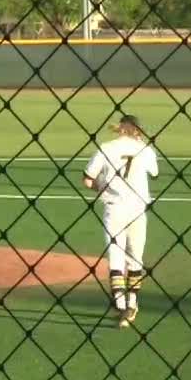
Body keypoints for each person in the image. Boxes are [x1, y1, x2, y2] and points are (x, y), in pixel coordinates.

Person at [82, 114, 160, 328]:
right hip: (137, 210)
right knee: (135, 259)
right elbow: (155, 173)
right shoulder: (145, 150)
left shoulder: (105, 147)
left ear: (121, 128)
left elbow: (87, 180)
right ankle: (132, 305)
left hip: (114, 209)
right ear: (137, 130)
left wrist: (103, 188)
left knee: (115, 258)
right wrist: (143, 144)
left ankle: (120, 302)